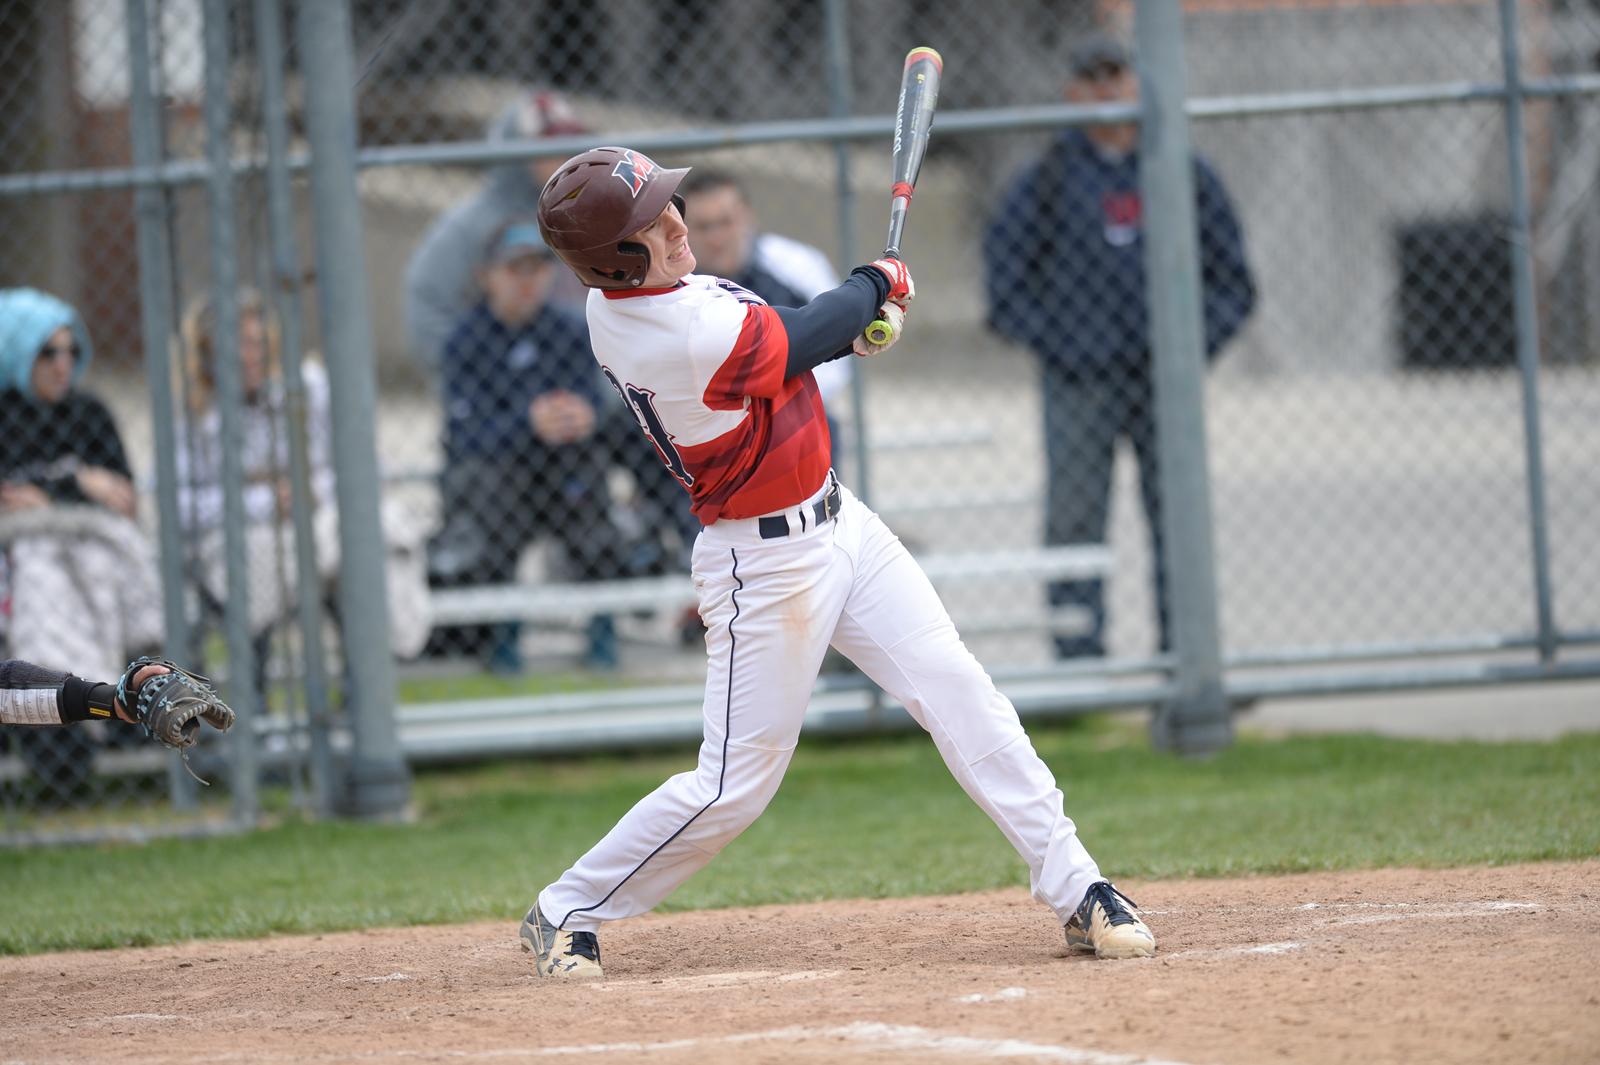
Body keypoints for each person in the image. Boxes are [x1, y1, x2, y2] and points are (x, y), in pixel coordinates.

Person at [516, 146, 1156, 981]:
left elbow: (789, 343)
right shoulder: (659, 328)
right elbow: (782, 340)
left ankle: (1079, 886)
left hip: (843, 523)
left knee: (962, 692)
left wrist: (851, 327)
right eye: (652, 224)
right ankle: (567, 907)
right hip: (763, 566)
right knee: (731, 786)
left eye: (669, 208)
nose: (675, 226)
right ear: (611, 262)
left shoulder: (666, 292)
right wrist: (870, 284)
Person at [983, 33, 1256, 659]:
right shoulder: (1047, 178)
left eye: (1117, 77)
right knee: (1075, 520)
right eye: (1093, 79)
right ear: (1072, 93)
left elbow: (1233, 281)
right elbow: (1004, 288)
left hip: (1166, 380)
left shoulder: (1180, 168)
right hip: (1080, 383)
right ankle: (1081, 664)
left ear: (1138, 84)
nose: (1107, 91)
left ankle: (1188, 659)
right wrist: (1064, 344)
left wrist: (1191, 348)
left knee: (1180, 517)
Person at [175, 290, 432, 676]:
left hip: (318, 528)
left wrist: (305, 491)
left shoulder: (309, 387)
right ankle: (252, 703)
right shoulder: (193, 413)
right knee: (264, 554)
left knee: (370, 530)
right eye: (236, 345)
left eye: (258, 343)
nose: (250, 355)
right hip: (239, 540)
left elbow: (366, 469)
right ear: (207, 351)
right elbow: (181, 506)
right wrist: (264, 501)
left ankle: (367, 678)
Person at [426, 219, 643, 672]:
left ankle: (602, 626)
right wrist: (529, 424)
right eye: (515, 270)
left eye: (537, 268)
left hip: (564, 470)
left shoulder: (566, 330)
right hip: (500, 479)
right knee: (495, 484)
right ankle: (504, 635)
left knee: (587, 473)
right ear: (487, 276)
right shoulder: (466, 341)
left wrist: (585, 416)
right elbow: (465, 436)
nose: (529, 281)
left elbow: (598, 398)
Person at [1, 287, 166, 799]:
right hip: (23, 554)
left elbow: (122, 499)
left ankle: (107, 714)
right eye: (47, 352)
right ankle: (65, 730)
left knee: (93, 571)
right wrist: (77, 483)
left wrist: (52, 490)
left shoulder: (89, 412)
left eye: (71, 351)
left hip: (93, 549)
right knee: (41, 576)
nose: (62, 364)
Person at [404, 89, 591, 377]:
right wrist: (478, 381)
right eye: (550, 148)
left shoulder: (585, 216)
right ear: (516, 151)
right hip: (499, 392)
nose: (565, 159)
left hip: (578, 386)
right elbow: (428, 302)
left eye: (570, 145)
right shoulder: (473, 223)